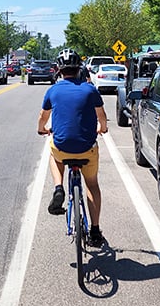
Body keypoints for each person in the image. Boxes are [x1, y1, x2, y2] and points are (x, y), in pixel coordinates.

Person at [37, 48, 108, 247]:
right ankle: (94, 231)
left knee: (53, 152)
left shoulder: (53, 90)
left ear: (59, 70)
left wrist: (42, 129)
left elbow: (43, 118)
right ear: (79, 69)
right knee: (92, 185)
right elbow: (101, 117)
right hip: (87, 148)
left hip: (62, 148)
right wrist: (102, 128)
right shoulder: (90, 89)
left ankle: (59, 188)